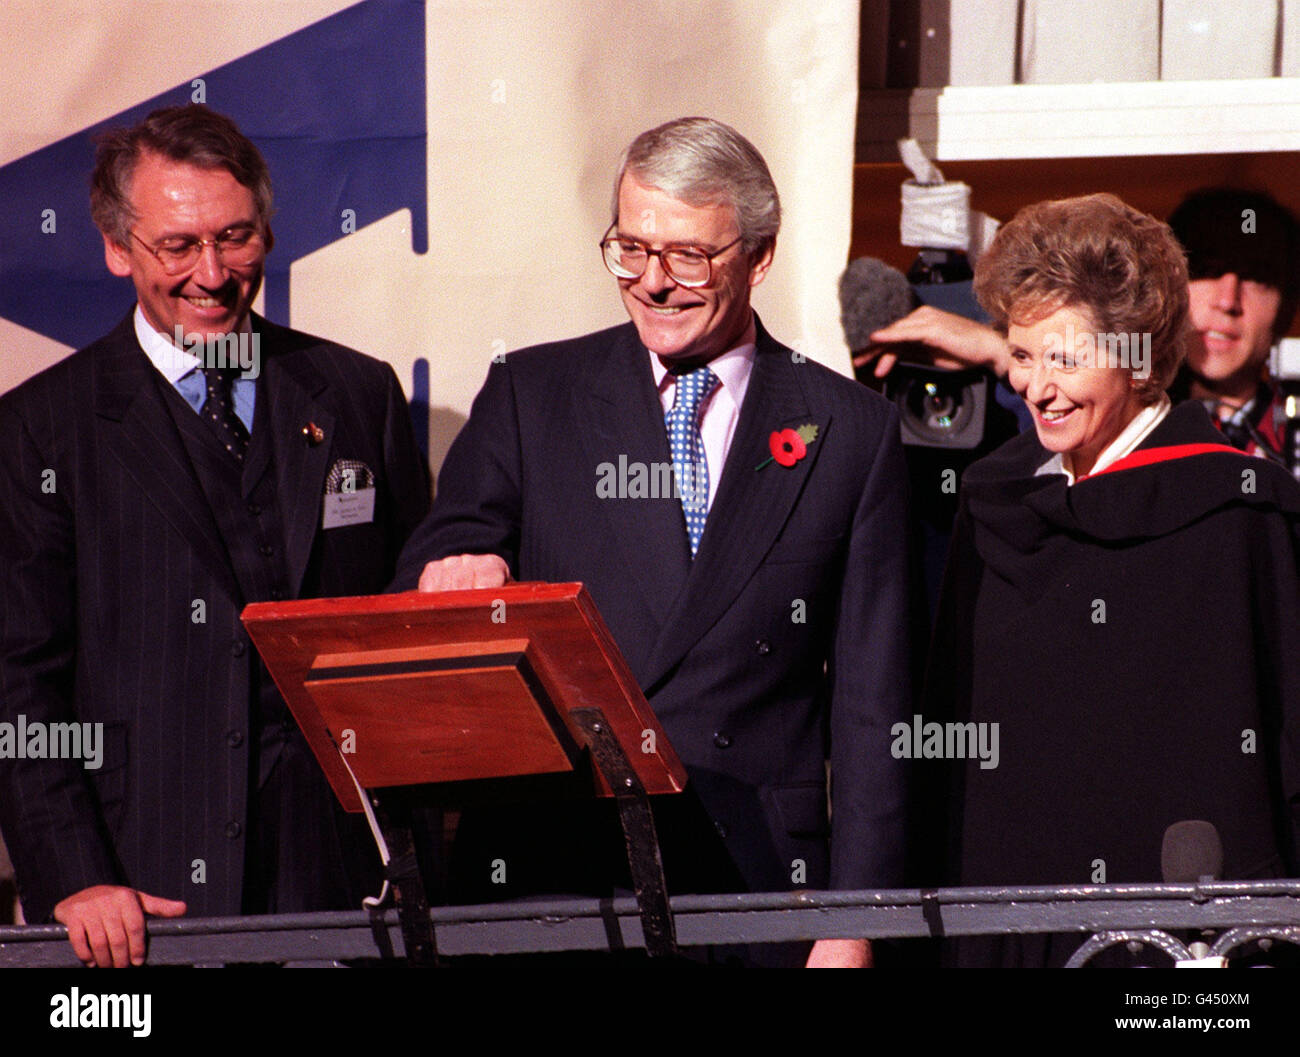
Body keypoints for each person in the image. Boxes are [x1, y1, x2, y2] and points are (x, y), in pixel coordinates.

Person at [391, 117, 913, 968]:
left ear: (761, 255)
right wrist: (446, 580)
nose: (653, 283)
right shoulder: (534, 394)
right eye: (630, 249)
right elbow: (435, 569)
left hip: (752, 885)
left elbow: (873, 706)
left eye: (687, 257)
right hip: (552, 880)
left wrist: (857, 917)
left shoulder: (849, 432)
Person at [0, 104, 430, 967]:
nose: (213, 273)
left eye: (236, 238)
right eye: (179, 244)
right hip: (140, 892)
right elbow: (17, 682)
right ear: (118, 248)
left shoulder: (356, 393)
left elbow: (406, 634)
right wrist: (76, 875)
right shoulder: (40, 430)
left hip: (345, 882)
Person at [922, 193, 1300, 967]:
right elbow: (946, 741)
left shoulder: (1240, 514)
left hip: (1187, 954)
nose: (1036, 387)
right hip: (1004, 934)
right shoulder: (993, 502)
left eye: (1066, 358)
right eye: (1022, 355)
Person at [1167, 187, 1300, 466]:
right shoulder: (1123, 426)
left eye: (1256, 277)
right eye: (1206, 269)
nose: (1228, 301)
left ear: (1287, 308)